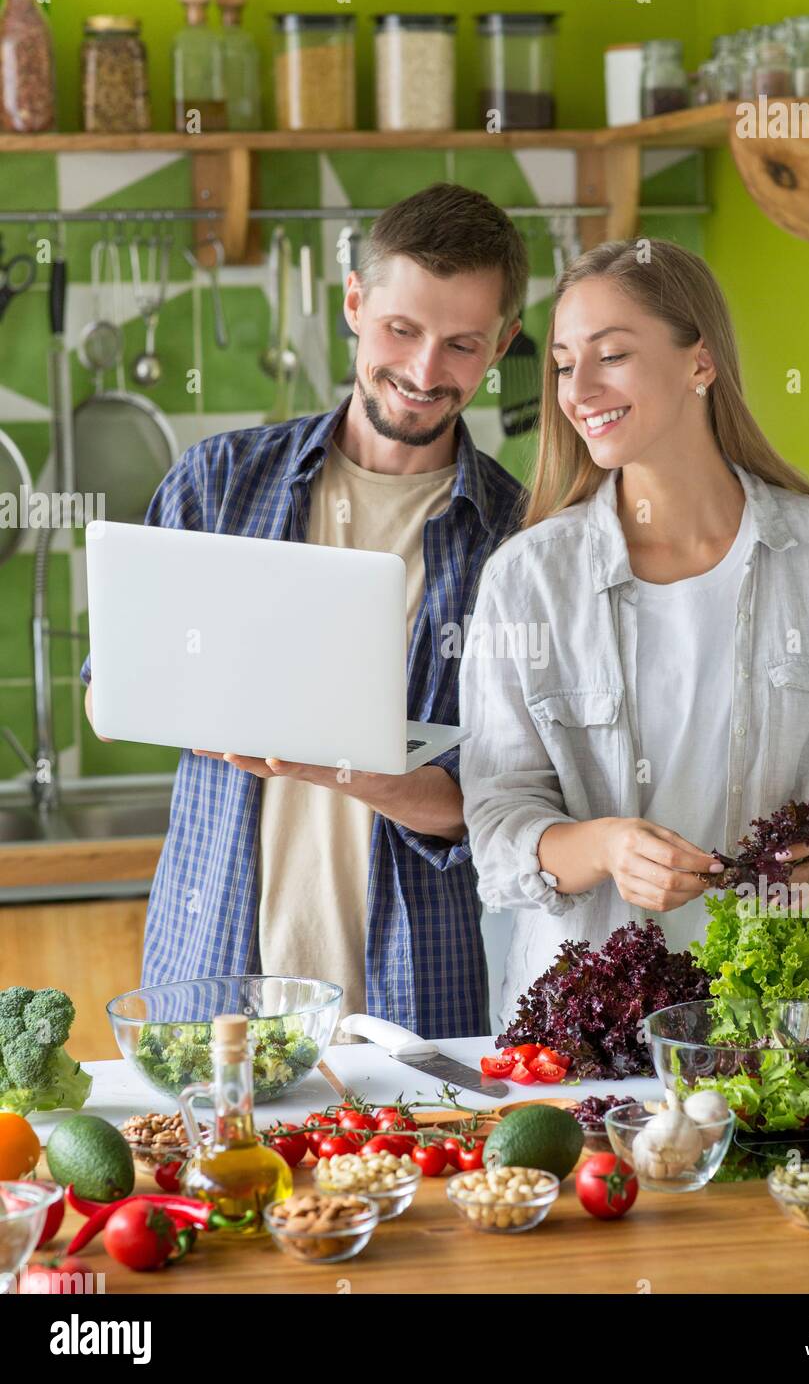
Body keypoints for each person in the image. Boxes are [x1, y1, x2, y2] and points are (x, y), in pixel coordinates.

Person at [81, 183, 529, 1038]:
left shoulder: (518, 539)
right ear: (355, 303)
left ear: (501, 343)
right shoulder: (220, 482)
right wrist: (212, 708)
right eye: (402, 330)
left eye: (463, 344)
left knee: (417, 1180)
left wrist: (335, 766)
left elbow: (493, 808)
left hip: (409, 995)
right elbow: (108, 700)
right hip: (210, 982)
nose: (425, 372)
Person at [459, 238, 809, 1025]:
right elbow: (500, 829)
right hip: (582, 1037)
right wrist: (606, 848)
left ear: (699, 363)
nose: (581, 390)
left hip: (781, 1027)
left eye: (612, 355)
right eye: (566, 365)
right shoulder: (528, 578)